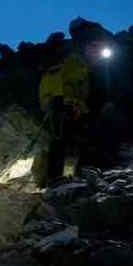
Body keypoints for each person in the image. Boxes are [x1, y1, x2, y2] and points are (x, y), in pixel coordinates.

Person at [38, 52, 91, 180]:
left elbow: (45, 97)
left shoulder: (51, 75)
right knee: (68, 143)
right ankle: (65, 176)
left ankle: (60, 177)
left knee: (63, 143)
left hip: (63, 108)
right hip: (65, 108)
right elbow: (82, 91)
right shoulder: (75, 70)